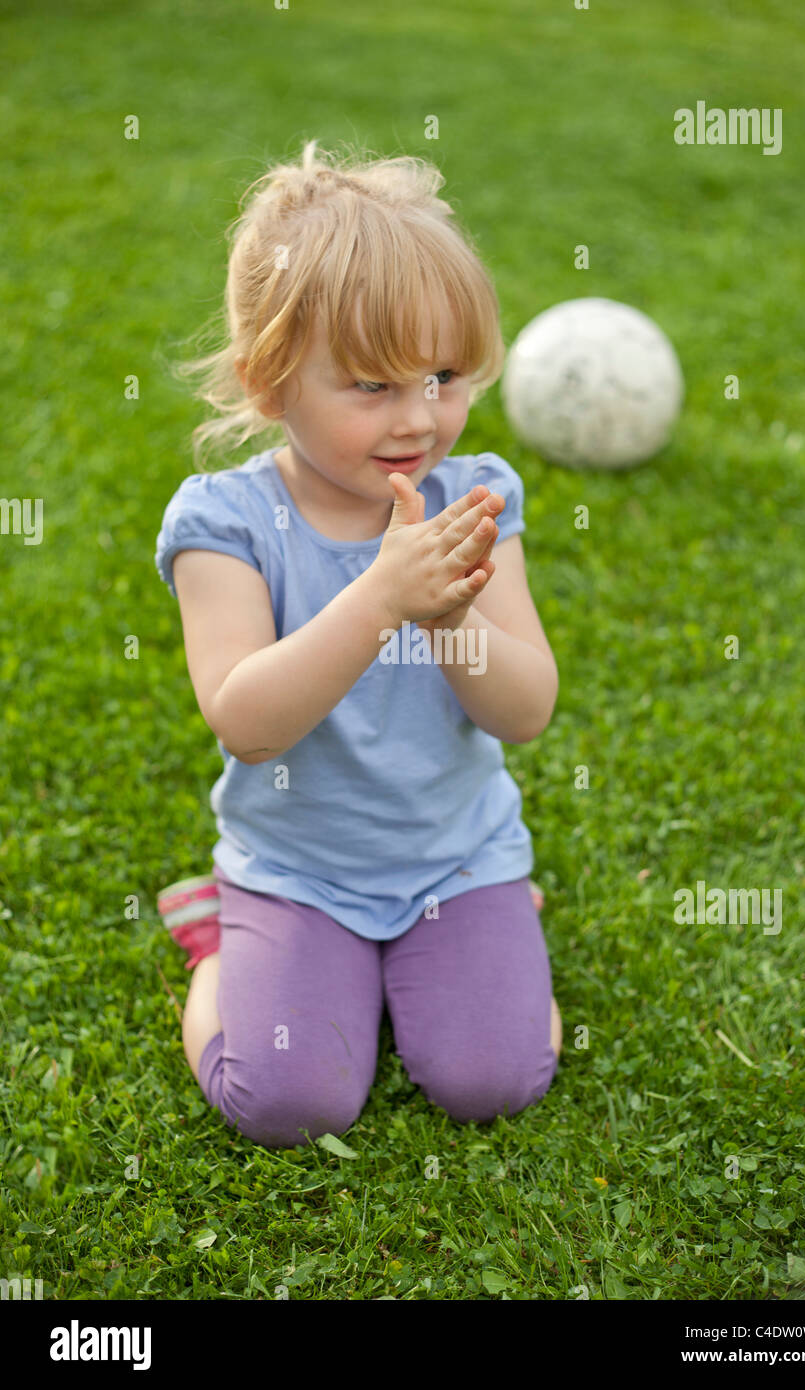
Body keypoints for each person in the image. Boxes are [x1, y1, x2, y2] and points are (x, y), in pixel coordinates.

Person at [153, 138, 562, 1150]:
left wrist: (450, 616)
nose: (418, 417)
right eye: (370, 386)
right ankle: (220, 946)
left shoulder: (473, 500)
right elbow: (247, 722)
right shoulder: (227, 524)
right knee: (290, 1101)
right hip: (296, 866)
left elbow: (523, 710)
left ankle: (495, 929)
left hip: (452, 860)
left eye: (441, 374)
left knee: (492, 1079)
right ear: (267, 383)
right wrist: (379, 596)